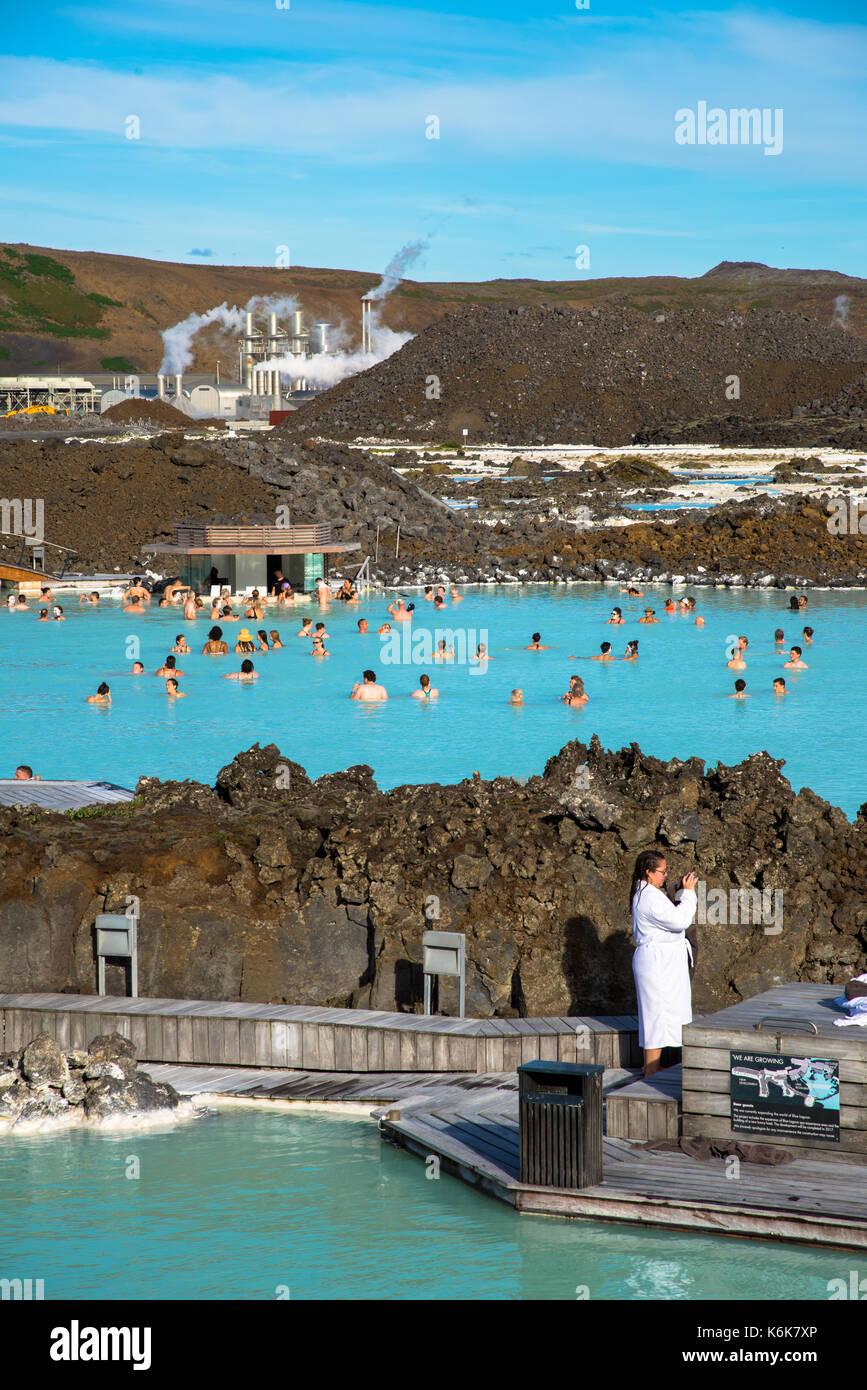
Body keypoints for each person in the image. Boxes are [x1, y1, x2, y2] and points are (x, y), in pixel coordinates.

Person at [630, 850, 697, 1076]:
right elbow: (680, 921)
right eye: (662, 871)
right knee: (656, 1013)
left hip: (662, 960)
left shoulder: (649, 894)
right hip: (657, 962)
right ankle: (650, 1068)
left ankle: (653, 1065)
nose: (665, 875)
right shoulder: (648, 897)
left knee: (661, 1012)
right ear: (648, 872)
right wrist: (688, 893)